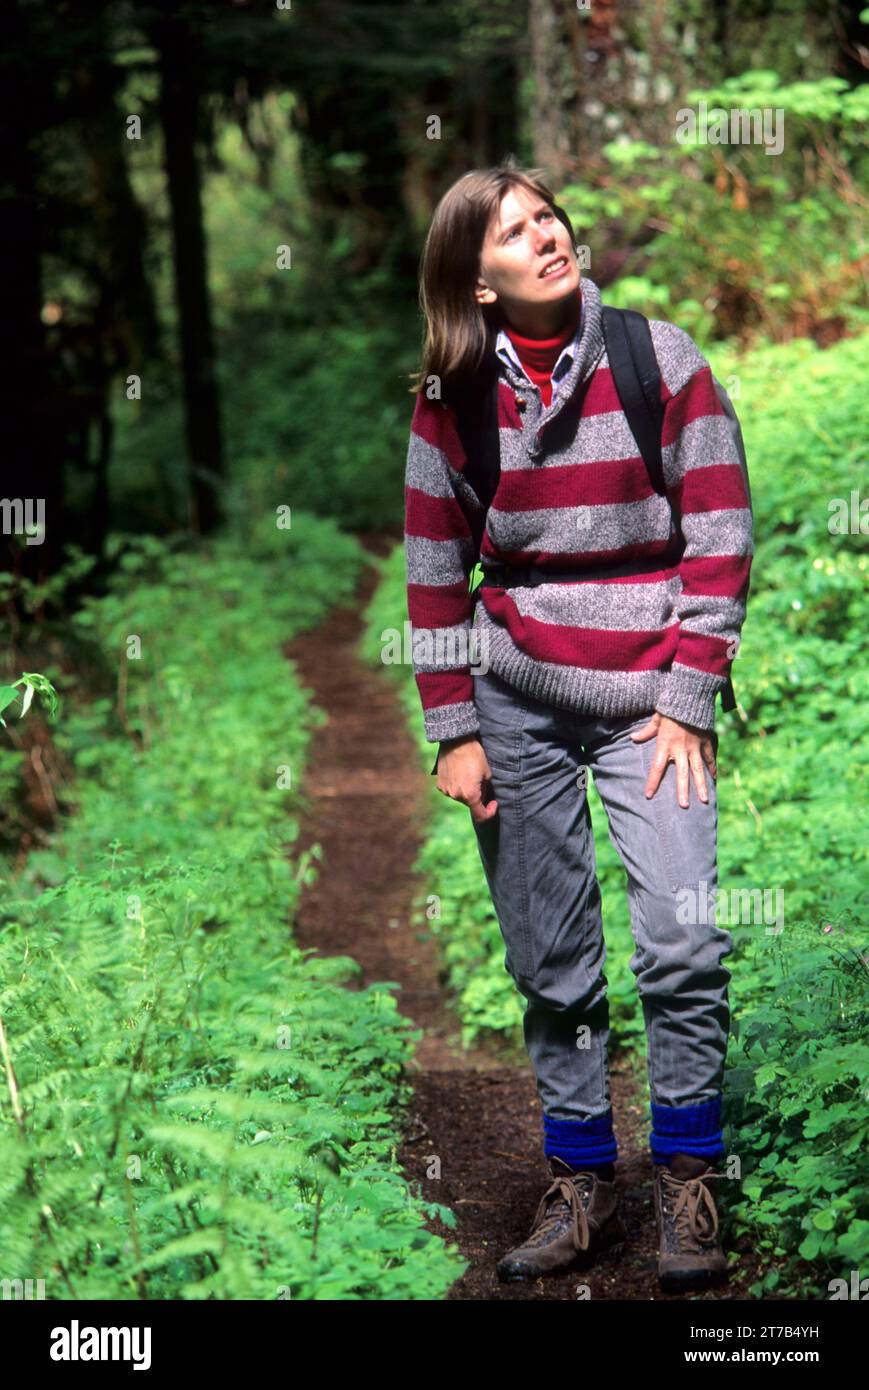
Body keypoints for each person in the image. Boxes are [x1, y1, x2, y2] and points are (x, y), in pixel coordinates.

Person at [402, 161, 753, 1292]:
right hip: (514, 702)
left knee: (682, 939)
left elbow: (719, 534)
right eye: (512, 230)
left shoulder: (662, 360)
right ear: (479, 281)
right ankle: (577, 1179)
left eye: (546, 214)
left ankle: (689, 1177)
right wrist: (453, 727)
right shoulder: (449, 397)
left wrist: (687, 694)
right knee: (550, 960)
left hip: (651, 699)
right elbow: (429, 570)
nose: (543, 234)